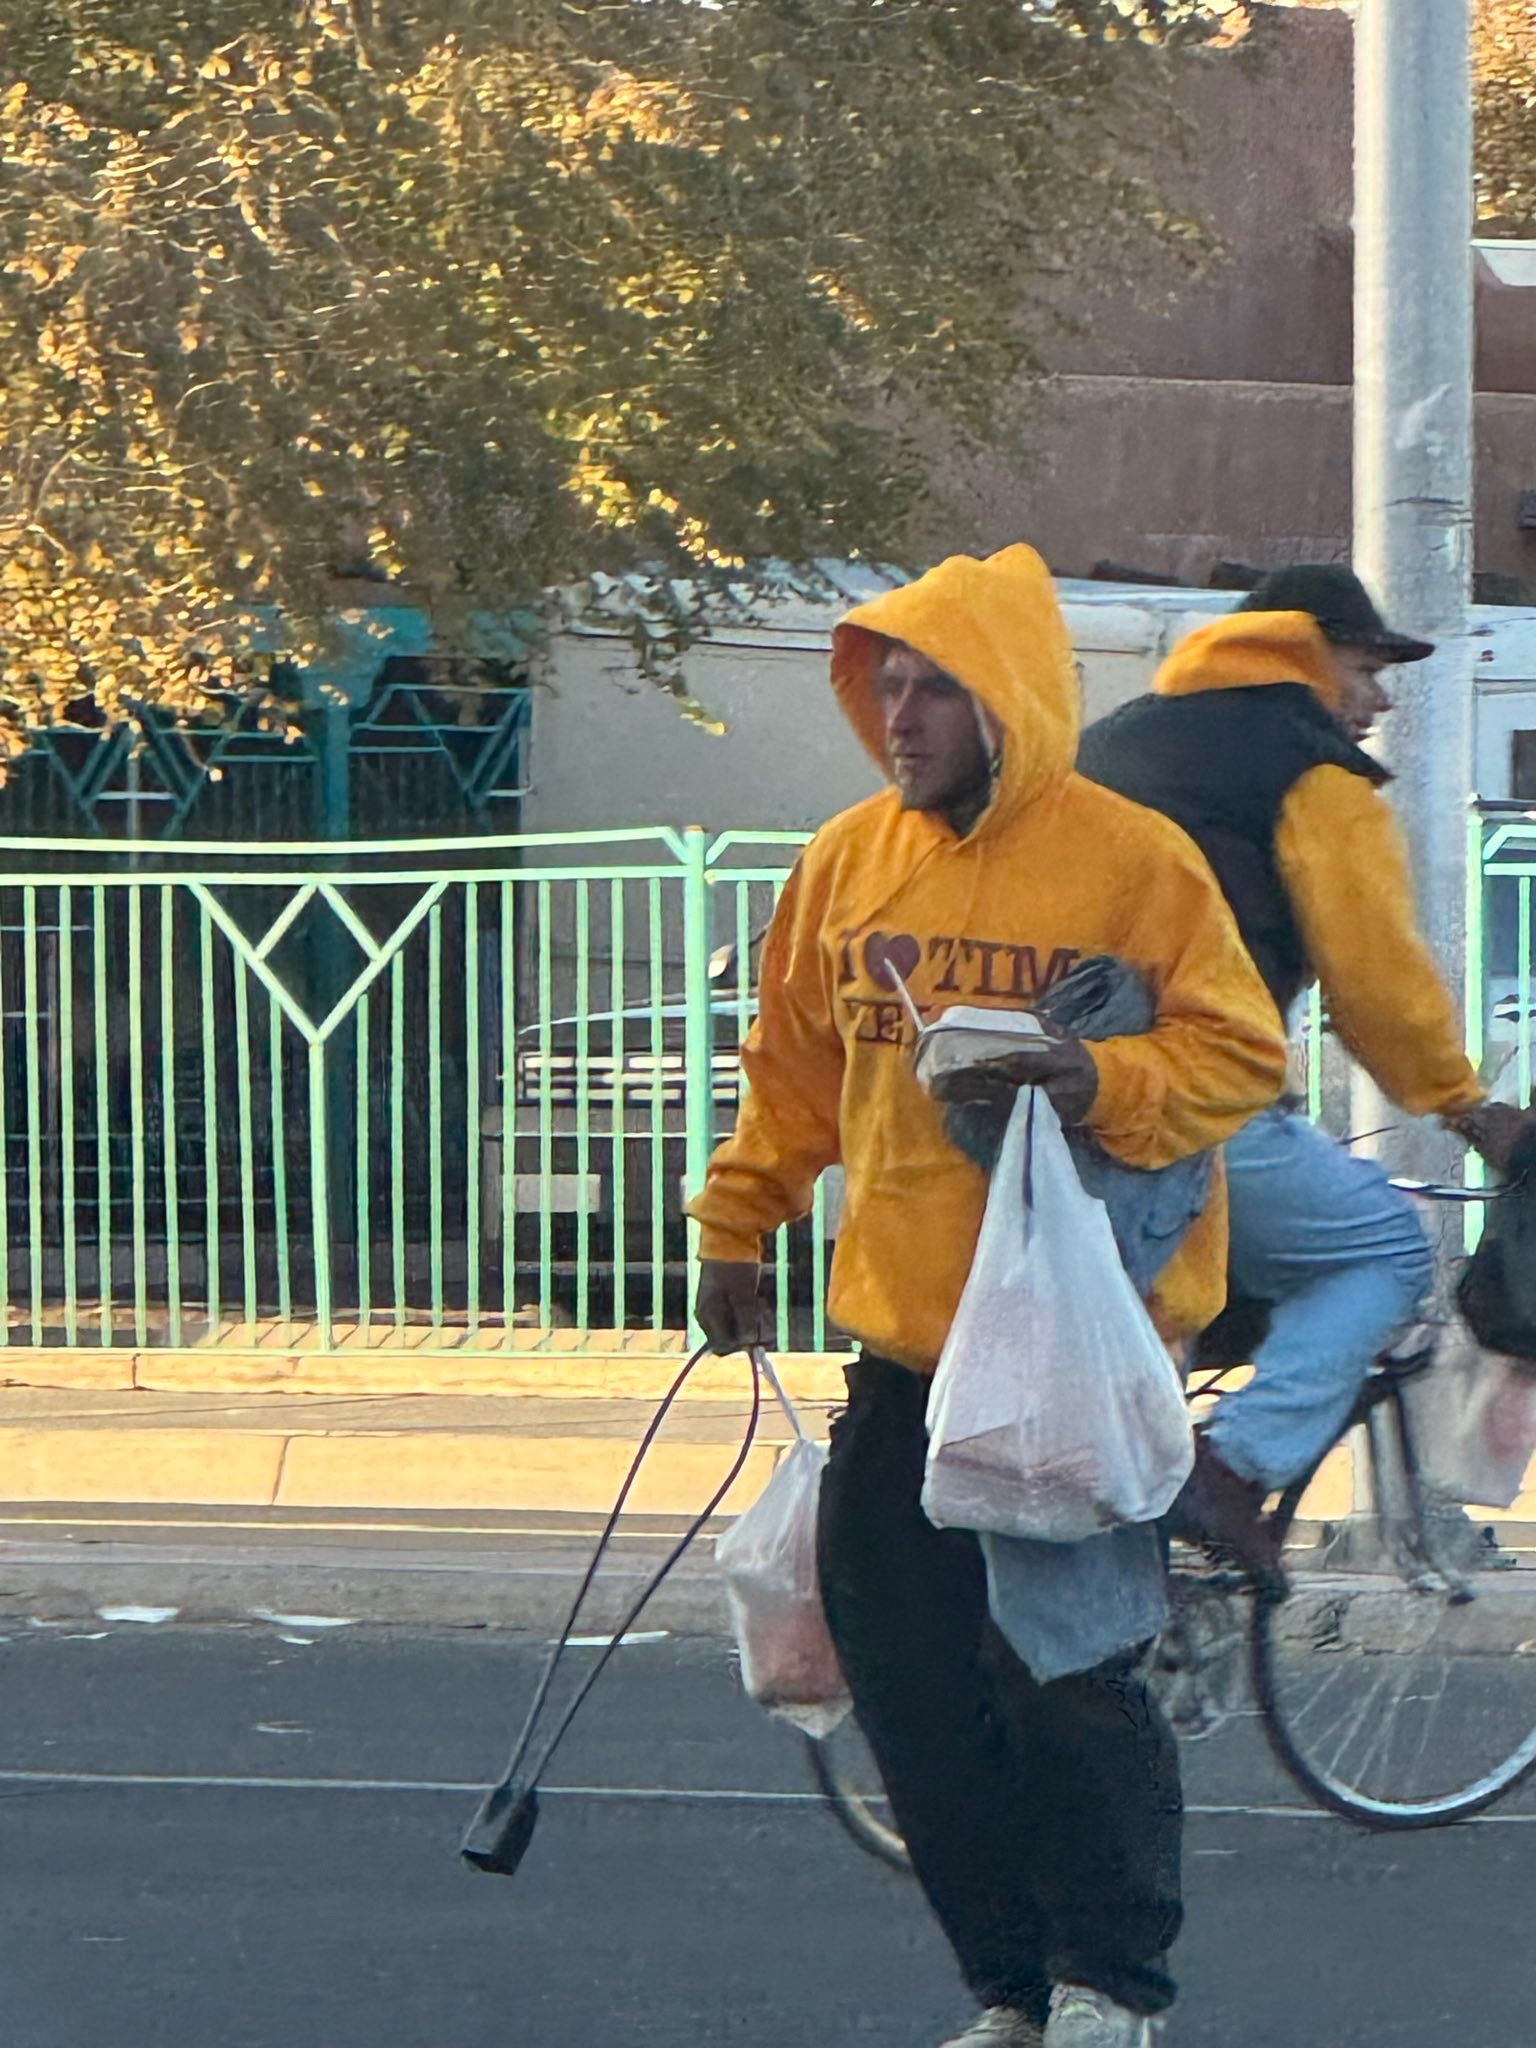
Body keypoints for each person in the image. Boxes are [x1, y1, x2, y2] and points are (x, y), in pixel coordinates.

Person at [689, 544, 1287, 2048]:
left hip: (1071, 1361)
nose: (901, 714)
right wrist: (738, 1218)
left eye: (935, 685)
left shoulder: (1134, 862)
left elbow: (1241, 1058)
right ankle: (1009, 1992)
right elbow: (794, 1072)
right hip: (903, 1352)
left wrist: (1093, 1072)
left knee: (1066, 1680)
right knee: (911, 1700)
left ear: (1008, 697)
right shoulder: (846, 859)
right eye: (886, 685)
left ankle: (1113, 1988)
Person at [1077, 563, 1529, 1581]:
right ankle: (1231, 1466)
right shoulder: (1306, 772)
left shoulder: (1109, 742)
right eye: (1367, 670)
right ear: (1306, 655)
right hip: (1192, 1101)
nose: (1375, 702)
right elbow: (1372, 975)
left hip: (1047, 1105)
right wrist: (1464, 1104)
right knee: (1384, 1250)